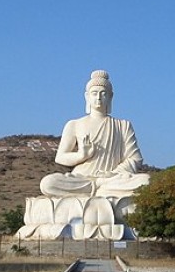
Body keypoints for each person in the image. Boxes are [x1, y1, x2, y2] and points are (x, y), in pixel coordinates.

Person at [39, 70, 150, 198]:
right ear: (87, 96)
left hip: (111, 179)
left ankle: (101, 189)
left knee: (145, 181)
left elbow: (134, 158)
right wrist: (82, 155)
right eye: (94, 93)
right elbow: (60, 157)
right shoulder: (74, 124)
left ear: (110, 96)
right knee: (48, 183)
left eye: (103, 94)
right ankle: (100, 192)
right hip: (82, 179)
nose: (98, 97)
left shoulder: (123, 125)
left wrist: (113, 173)